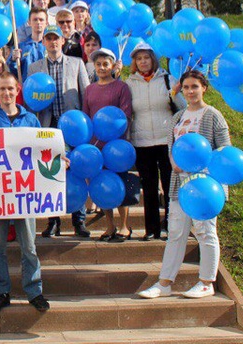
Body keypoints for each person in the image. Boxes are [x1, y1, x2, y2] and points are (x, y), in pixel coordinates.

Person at [138, 70, 232, 300]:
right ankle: (164, 283)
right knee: (175, 233)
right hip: (180, 185)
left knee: (205, 231)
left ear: (204, 88)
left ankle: (206, 282)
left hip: (205, 186)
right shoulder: (177, 117)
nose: (190, 91)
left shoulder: (213, 115)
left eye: (195, 87)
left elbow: (225, 151)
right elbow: (172, 147)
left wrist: (205, 169)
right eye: (187, 87)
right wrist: (173, 163)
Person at [0, 71, 50, 313]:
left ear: (18, 90)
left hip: (24, 195)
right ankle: (1, 291)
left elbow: (44, 149)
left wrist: (60, 159)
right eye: (2, 89)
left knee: (29, 245)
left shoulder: (31, 120)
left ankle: (34, 291)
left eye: (11, 89)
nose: (7, 93)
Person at [28, 25, 92, 238]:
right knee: (49, 172)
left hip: (73, 126)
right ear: (43, 42)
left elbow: (86, 95)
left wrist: (85, 124)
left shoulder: (77, 63)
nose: (53, 42)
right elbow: (31, 99)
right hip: (48, 125)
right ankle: (53, 221)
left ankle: (79, 220)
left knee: (77, 170)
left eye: (56, 38)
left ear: (62, 41)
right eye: (49, 39)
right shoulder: (34, 67)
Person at [125, 43, 186, 241]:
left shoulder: (168, 79)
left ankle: (170, 225)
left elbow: (182, 108)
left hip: (165, 140)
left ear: (153, 59)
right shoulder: (130, 83)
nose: (143, 62)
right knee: (149, 186)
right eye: (139, 58)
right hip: (142, 141)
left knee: (168, 185)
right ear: (135, 62)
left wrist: (175, 94)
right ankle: (151, 229)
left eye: (146, 57)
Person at [82, 48, 134, 242]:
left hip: (116, 145)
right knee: (102, 185)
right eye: (98, 64)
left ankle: (124, 225)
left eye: (105, 64)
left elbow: (126, 114)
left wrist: (118, 136)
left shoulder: (121, 87)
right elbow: (86, 116)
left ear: (112, 66)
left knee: (119, 183)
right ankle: (110, 225)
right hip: (96, 144)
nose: (102, 68)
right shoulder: (89, 89)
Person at [9, 8, 48, 79]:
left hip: (47, 87)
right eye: (35, 19)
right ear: (29, 22)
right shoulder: (20, 47)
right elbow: (13, 73)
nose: (38, 22)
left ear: (47, 23)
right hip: (27, 87)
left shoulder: (51, 46)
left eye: (41, 20)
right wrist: (13, 61)